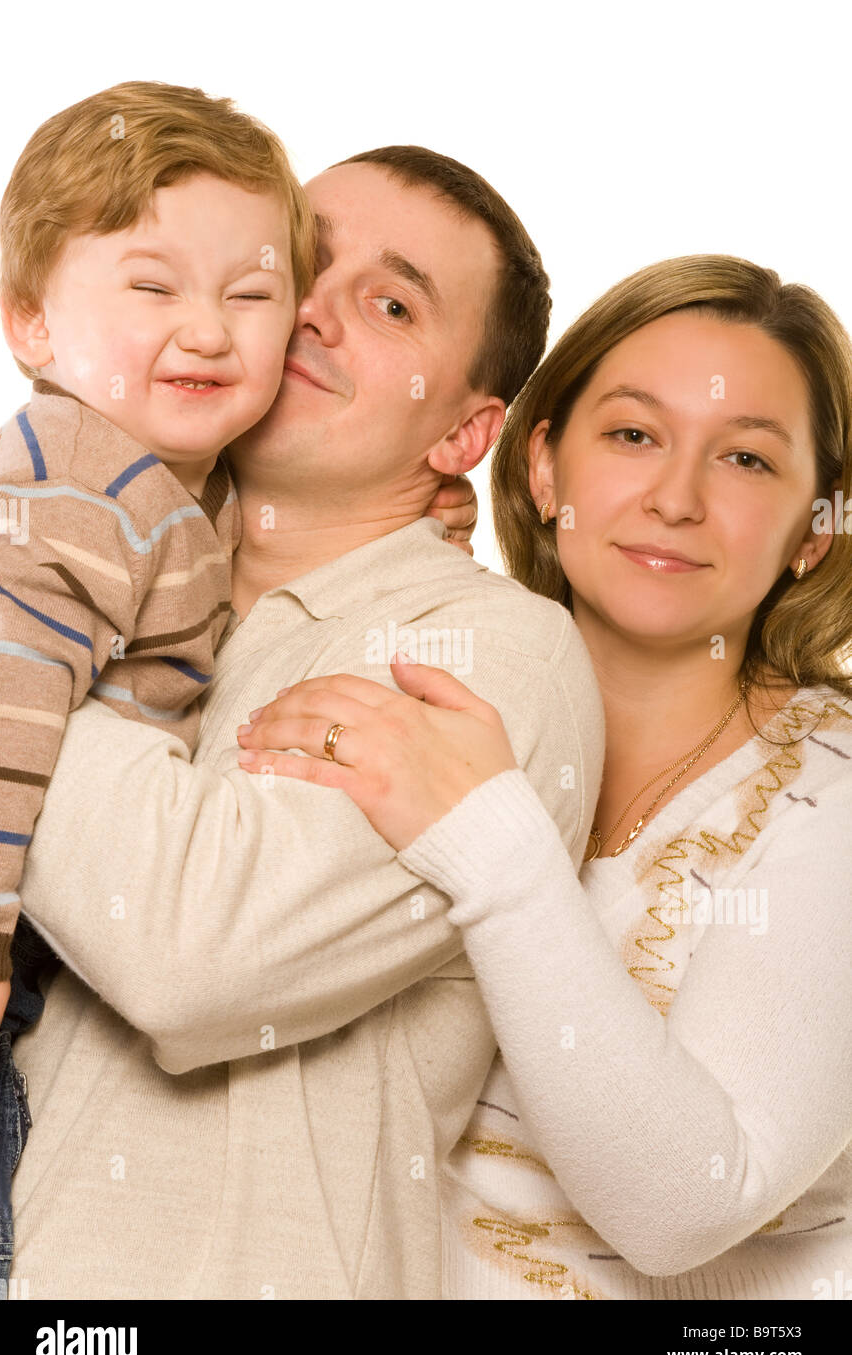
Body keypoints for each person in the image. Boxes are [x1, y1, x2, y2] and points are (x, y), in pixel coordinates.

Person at [0, 144, 604, 1299]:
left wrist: (7, 627)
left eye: (389, 303)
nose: (310, 310)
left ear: (462, 437)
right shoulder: (114, 561)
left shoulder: (487, 648)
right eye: (297, 263)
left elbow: (193, 954)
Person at [236, 254, 852, 1300]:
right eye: (630, 434)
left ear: (812, 530)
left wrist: (488, 837)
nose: (673, 499)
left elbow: (687, 1205)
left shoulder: (822, 795)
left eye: (744, 460)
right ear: (540, 469)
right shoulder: (419, 683)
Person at [0, 78, 315, 1292]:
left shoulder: (173, 482)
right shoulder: (74, 480)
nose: (210, 330)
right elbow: (0, 708)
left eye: (252, 295)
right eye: (151, 286)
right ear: (31, 322)